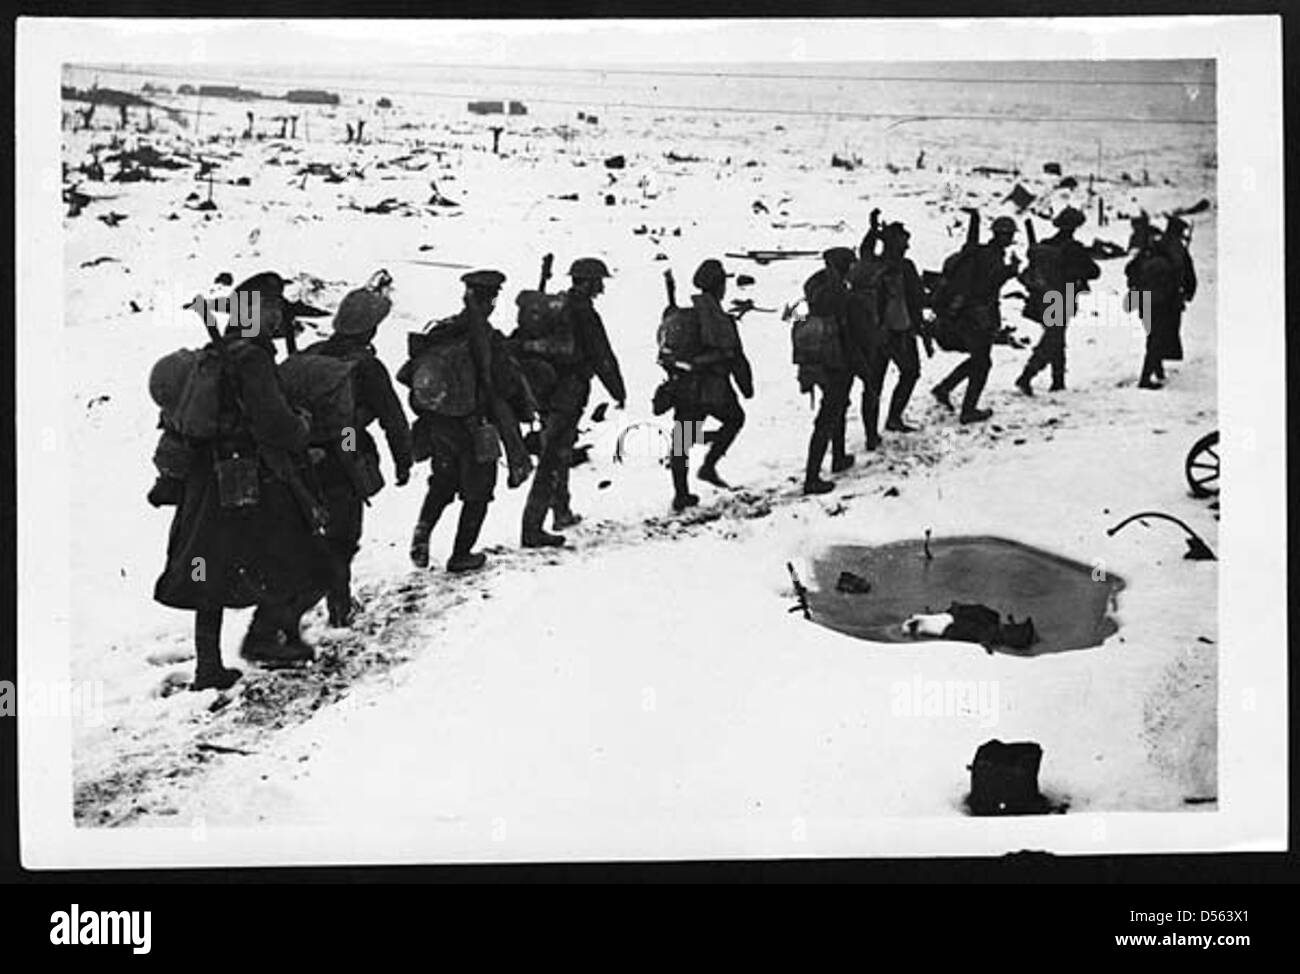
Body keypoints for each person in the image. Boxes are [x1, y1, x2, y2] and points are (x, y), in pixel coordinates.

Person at [152, 272, 332, 690]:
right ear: (260, 310)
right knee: (296, 551)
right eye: (273, 308)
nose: (277, 318)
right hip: (247, 477)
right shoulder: (251, 357)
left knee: (209, 567)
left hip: (207, 477)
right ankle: (268, 638)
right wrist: (302, 425)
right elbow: (273, 424)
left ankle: (210, 668)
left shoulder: (220, 353)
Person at [301, 272, 413, 627]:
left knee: (310, 534)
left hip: (302, 458)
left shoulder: (310, 355)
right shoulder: (367, 367)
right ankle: (338, 606)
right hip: (345, 453)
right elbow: (393, 419)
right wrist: (403, 461)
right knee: (343, 536)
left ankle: (314, 603)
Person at [400, 270, 519, 572]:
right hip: (474, 424)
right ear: (491, 301)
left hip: (439, 425)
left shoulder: (443, 331)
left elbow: (407, 375)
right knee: (478, 491)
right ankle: (461, 554)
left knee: (442, 481)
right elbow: (505, 385)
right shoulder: (487, 339)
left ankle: (423, 529)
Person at [518, 257, 627, 547]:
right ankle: (532, 527)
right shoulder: (583, 313)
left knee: (559, 449)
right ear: (589, 282)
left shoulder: (557, 307)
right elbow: (602, 355)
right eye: (599, 282)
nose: (601, 287)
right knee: (553, 455)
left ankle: (561, 511)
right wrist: (618, 390)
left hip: (543, 387)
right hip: (567, 391)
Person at [663, 259, 753, 510]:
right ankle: (709, 465)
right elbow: (735, 355)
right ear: (718, 286)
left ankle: (681, 494)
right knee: (735, 419)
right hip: (712, 388)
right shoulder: (718, 318)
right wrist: (746, 386)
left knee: (681, 440)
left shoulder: (682, 315)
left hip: (683, 386)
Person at [931, 216, 1020, 423]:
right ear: (1003, 235)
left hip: (967, 315)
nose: (1010, 239)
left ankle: (944, 388)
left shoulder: (981, 252)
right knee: (982, 362)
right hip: (977, 316)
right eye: (1009, 235)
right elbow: (984, 287)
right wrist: (1009, 271)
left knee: (979, 359)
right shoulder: (991, 256)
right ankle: (968, 410)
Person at [855, 221, 930, 442]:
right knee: (910, 372)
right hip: (900, 334)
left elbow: (864, 251)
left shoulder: (872, 265)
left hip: (874, 336)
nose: (907, 246)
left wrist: (872, 232)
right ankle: (894, 418)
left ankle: (871, 435)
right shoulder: (905, 267)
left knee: (873, 385)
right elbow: (918, 299)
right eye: (905, 242)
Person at [1015, 206, 1100, 394]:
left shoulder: (1044, 245)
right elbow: (1094, 272)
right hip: (1062, 297)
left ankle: (1058, 381)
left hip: (1041, 297)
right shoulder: (1073, 249)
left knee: (1056, 337)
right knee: (1053, 339)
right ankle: (1027, 375)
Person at [799, 259, 863, 494]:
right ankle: (812, 477)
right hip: (704, 391)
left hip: (688, 394)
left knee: (835, 408)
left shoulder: (816, 296)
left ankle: (682, 487)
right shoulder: (839, 299)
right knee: (829, 416)